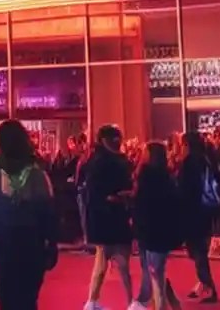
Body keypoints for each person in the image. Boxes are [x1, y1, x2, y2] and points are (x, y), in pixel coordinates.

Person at [0, 119, 59, 308]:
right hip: (32, 248)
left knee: (6, 301)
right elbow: (49, 214)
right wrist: (52, 245)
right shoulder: (37, 174)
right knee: (29, 301)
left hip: (2, 248)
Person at [83, 125, 135, 310]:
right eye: (113, 138)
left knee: (104, 261)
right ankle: (129, 302)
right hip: (111, 216)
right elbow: (95, 191)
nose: (117, 142)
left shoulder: (98, 160)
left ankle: (93, 301)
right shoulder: (105, 161)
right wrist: (116, 198)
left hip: (106, 217)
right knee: (119, 261)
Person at [130, 141, 182, 310]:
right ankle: (170, 303)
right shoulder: (168, 178)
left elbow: (141, 206)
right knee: (155, 270)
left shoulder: (145, 177)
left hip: (150, 230)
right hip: (161, 230)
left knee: (153, 271)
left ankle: (151, 303)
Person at [176, 131, 220, 303]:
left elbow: (185, 190)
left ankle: (208, 285)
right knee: (199, 248)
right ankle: (203, 283)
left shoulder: (189, 163)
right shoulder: (206, 160)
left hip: (193, 212)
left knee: (197, 250)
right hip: (206, 209)